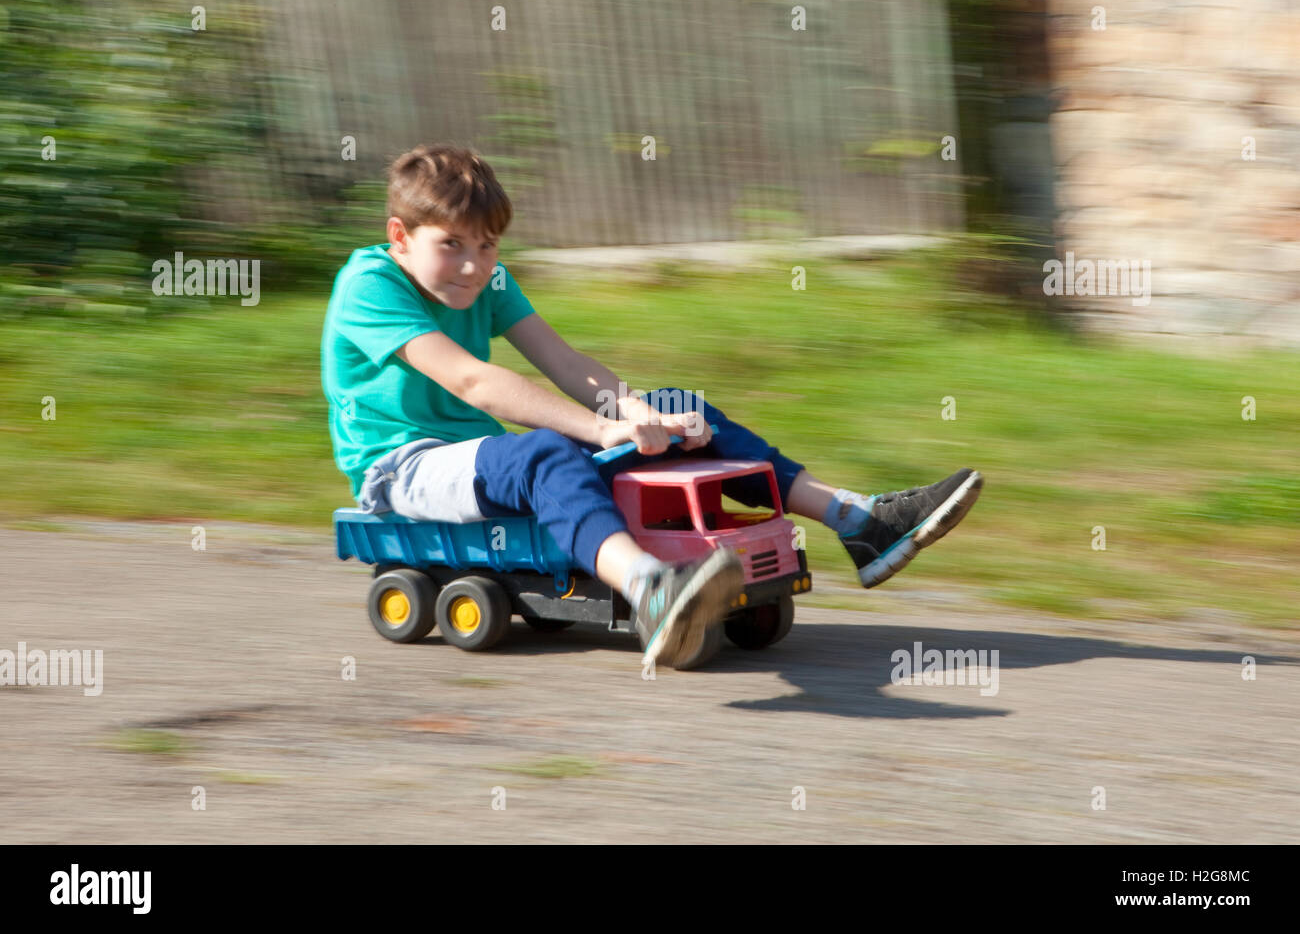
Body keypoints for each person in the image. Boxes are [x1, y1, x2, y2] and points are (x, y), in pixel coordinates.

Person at [321, 144, 983, 667]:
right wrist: (599, 426)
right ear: (401, 236)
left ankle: (860, 520)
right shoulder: (369, 286)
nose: (473, 266)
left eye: (486, 245)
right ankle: (652, 594)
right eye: (452, 245)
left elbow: (567, 364)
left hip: (479, 457)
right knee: (545, 451)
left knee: (680, 406)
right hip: (403, 467)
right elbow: (475, 383)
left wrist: (639, 413)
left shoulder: (489, 278)